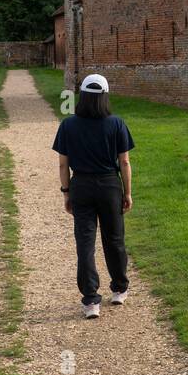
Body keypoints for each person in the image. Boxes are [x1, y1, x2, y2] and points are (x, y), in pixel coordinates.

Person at [52, 73, 135, 319]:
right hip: (110, 186)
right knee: (114, 239)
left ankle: (90, 301)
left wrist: (66, 193)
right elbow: (124, 161)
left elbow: (62, 165)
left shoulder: (68, 125)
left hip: (82, 186)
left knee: (85, 244)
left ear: (83, 97)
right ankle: (119, 289)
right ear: (105, 97)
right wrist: (127, 192)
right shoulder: (116, 123)